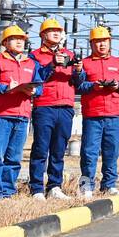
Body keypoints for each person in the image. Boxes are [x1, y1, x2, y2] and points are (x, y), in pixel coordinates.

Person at [0, 25, 52, 198]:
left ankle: (8, 191)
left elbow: (40, 85)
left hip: (22, 116)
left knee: (14, 157)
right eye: (15, 39)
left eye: (22, 39)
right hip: (2, 115)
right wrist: (5, 88)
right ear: (5, 42)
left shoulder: (31, 64)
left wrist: (35, 91)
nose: (19, 42)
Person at [76, 25, 119, 199]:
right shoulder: (85, 64)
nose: (101, 45)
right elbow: (78, 86)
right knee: (89, 152)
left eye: (105, 42)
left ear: (110, 43)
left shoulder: (118, 63)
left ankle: (109, 185)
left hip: (112, 115)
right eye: (97, 42)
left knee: (111, 151)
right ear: (91, 44)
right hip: (92, 115)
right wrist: (93, 86)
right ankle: (86, 186)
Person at [28, 17, 79, 200]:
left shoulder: (70, 55)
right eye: (52, 30)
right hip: (44, 106)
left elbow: (78, 83)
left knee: (59, 149)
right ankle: (36, 189)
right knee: (41, 149)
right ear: (43, 35)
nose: (57, 33)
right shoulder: (34, 56)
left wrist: (79, 71)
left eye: (59, 31)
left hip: (65, 106)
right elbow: (34, 77)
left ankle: (55, 187)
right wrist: (51, 65)